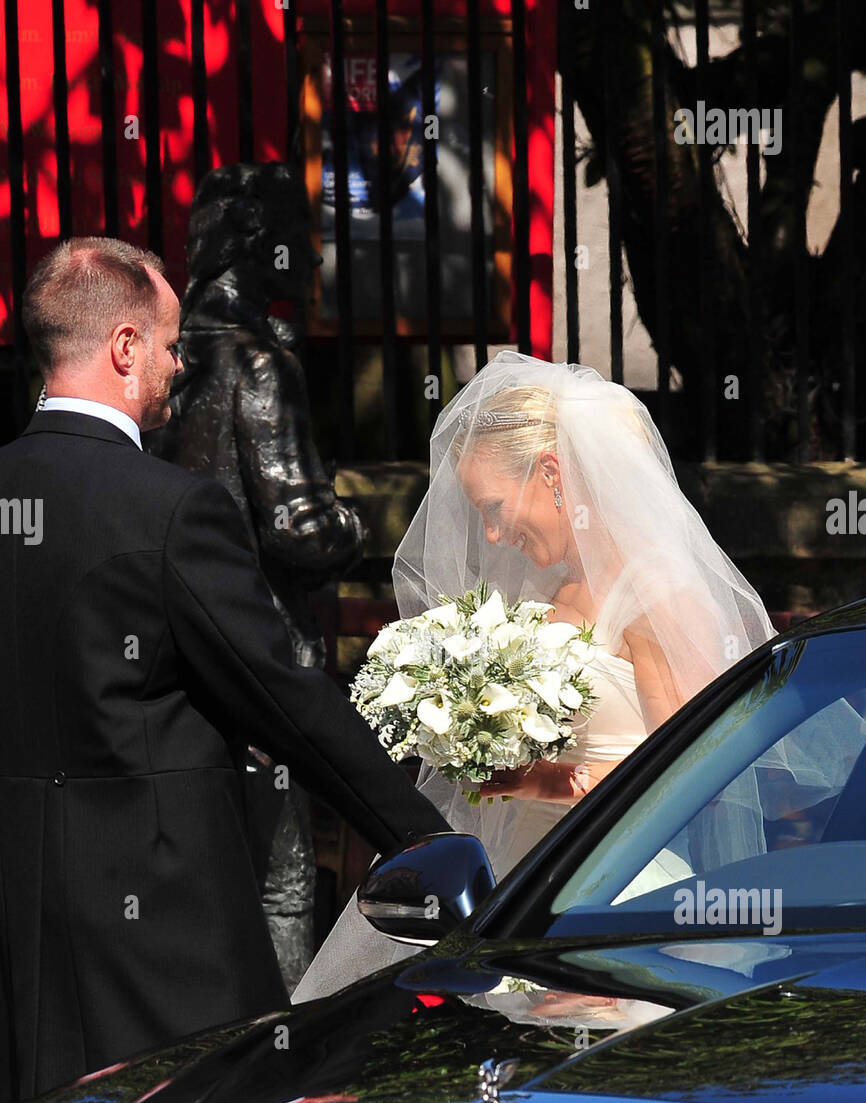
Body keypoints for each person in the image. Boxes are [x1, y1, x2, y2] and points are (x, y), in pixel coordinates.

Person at [0, 236, 449, 1103]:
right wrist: (425, 838)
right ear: (124, 348)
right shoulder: (170, 510)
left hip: (17, 925)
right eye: (170, 345)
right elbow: (283, 697)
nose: (178, 366)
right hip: (155, 930)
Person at [293, 351, 847, 1003]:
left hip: (623, 894)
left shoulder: (656, 595)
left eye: (496, 507)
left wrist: (539, 779)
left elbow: (692, 784)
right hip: (527, 880)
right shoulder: (561, 587)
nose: (493, 535)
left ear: (552, 474)